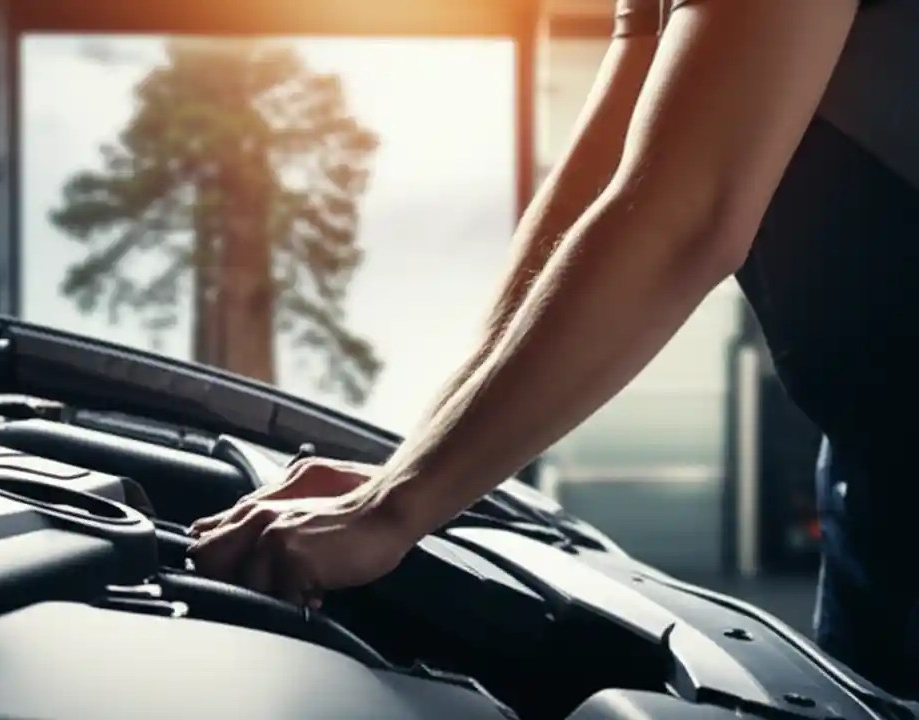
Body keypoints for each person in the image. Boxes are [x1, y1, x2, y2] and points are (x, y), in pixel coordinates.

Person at [188, 0, 919, 697]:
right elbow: (614, 175)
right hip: (878, 481)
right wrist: (413, 474)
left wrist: (394, 508)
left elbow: (688, 212)